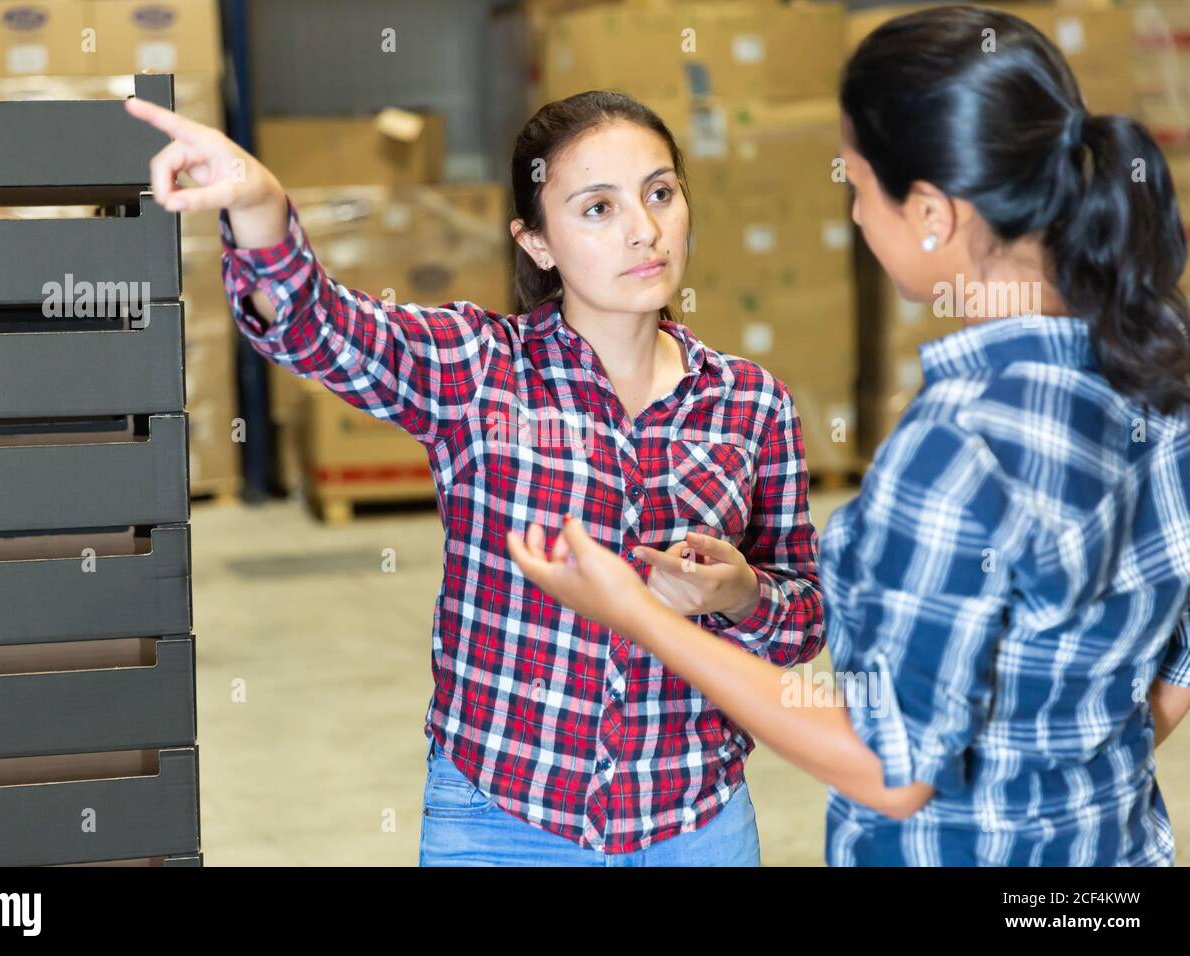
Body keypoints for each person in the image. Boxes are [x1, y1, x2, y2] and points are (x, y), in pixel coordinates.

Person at [507, 6, 1190, 866]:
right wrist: (1068, 763)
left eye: (859, 189)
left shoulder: (956, 446)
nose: (860, 221)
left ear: (932, 214)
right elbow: (1176, 660)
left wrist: (636, 614)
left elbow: (887, 767)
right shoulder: (1155, 373)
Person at [126, 89, 824, 865]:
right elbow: (316, 326)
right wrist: (259, 205)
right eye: (597, 208)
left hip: (699, 821)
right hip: (501, 823)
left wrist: (743, 596)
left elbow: (802, 621)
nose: (644, 229)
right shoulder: (480, 370)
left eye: (660, 193)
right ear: (538, 243)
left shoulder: (751, 404)